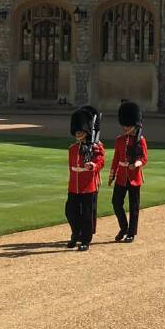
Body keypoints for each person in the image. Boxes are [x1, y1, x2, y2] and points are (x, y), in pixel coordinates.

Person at [64, 106, 104, 252]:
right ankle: (76, 233)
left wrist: (92, 165)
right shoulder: (72, 149)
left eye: (80, 131)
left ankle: (85, 240)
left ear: (86, 132)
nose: (77, 134)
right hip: (74, 186)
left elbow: (101, 162)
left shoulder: (95, 147)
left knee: (87, 215)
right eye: (76, 131)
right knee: (70, 211)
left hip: (88, 186)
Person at [110, 100, 148, 243]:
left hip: (134, 177)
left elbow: (143, 158)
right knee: (116, 203)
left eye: (128, 125)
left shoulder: (140, 141)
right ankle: (124, 227)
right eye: (124, 125)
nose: (125, 128)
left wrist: (136, 164)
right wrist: (112, 174)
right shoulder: (119, 140)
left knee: (134, 206)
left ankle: (132, 232)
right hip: (121, 176)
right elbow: (115, 159)